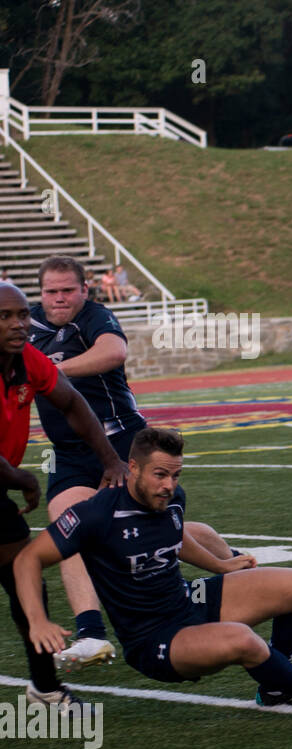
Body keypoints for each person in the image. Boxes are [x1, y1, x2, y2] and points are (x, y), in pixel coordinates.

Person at [14, 427, 292, 717]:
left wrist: (221, 565)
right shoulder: (96, 514)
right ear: (133, 468)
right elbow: (27, 560)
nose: (168, 485)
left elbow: (175, 535)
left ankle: (276, 686)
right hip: (153, 640)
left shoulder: (171, 497)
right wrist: (37, 621)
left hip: (186, 601)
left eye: (176, 475)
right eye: (160, 474)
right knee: (243, 640)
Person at [1, 280, 130, 715]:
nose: (18, 324)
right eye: (5, 316)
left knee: (26, 582)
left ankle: (45, 687)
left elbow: (73, 403)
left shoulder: (26, 358)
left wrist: (111, 460)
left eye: (22, 314)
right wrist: (22, 477)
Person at [29, 256, 150, 670]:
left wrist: (51, 372)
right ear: (40, 293)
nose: (59, 298)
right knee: (68, 526)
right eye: (51, 291)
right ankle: (92, 633)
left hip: (122, 441)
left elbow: (114, 351)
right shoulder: (26, 323)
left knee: (149, 532)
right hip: (69, 450)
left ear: (85, 290)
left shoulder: (95, 317)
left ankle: (227, 560)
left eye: (68, 290)